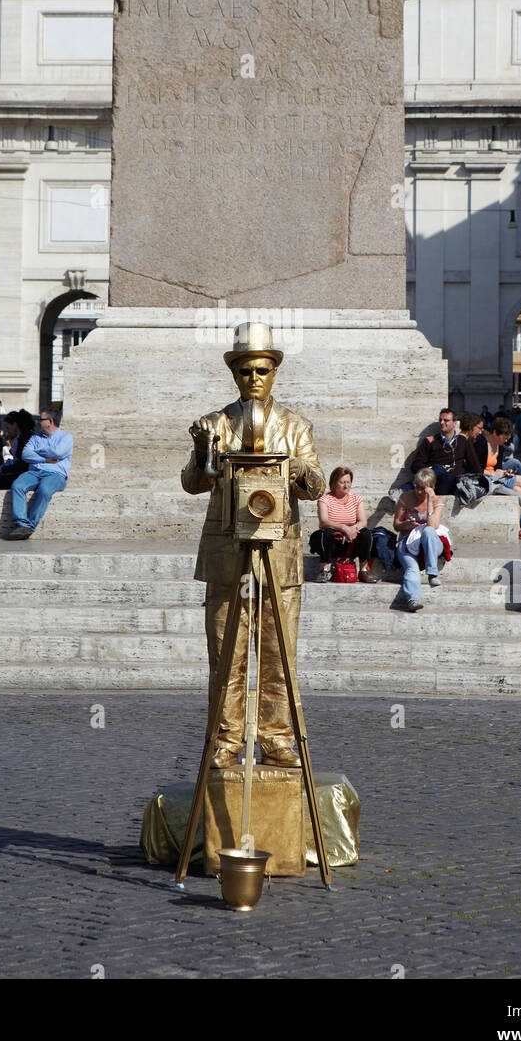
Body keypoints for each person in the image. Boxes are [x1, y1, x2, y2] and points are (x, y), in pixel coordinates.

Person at [182, 322, 324, 769]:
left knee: (278, 656)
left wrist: (296, 466)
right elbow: (191, 483)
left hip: (279, 558)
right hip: (227, 557)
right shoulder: (214, 424)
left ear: (275, 371)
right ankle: (226, 739)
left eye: (262, 369)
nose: (254, 378)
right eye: (245, 371)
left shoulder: (297, 426)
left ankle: (277, 738)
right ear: (235, 374)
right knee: (226, 654)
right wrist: (204, 454)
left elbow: (317, 486)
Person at [8, 408, 74, 540]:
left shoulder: (66, 437)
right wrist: (45, 459)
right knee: (17, 485)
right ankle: (21, 523)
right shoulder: (35, 437)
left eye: (40, 419)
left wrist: (38, 450)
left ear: (50, 421)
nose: (37, 421)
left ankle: (30, 525)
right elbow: (26, 454)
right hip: (34, 472)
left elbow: (59, 453)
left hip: (55, 474)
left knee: (45, 489)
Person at [393, 469, 445, 612]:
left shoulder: (437, 501)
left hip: (431, 542)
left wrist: (429, 501)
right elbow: (396, 525)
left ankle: (432, 572)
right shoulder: (405, 498)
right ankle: (413, 599)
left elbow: (433, 526)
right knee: (411, 568)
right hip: (409, 541)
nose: (418, 491)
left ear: (431, 488)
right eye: (416, 486)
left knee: (428, 530)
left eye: (423, 488)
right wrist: (406, 525)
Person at [315, 467, 375, 582]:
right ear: (333, 483)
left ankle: (363, 570)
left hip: (351, 540)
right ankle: (324, 569)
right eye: (342, 482)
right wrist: (343, 528)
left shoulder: (356, 499)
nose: (346, 485)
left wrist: (352, 529)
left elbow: (363, 521)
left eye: (348, 482)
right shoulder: (325, 499)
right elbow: (324, 521)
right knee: (324, 534)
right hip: (333, 541)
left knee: (366, 534)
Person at [410, 407, 480, 495]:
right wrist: (431, 470)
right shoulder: (430, 441)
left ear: (455, 423)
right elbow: (415, 465)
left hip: (451, 482)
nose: (442, 423)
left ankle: (407, 488)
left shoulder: (464, 441)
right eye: (440, 420)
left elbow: (475, 466)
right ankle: (407, 489)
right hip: (433, 482)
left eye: (446, 420)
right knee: (437, 468)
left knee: (443, 473)